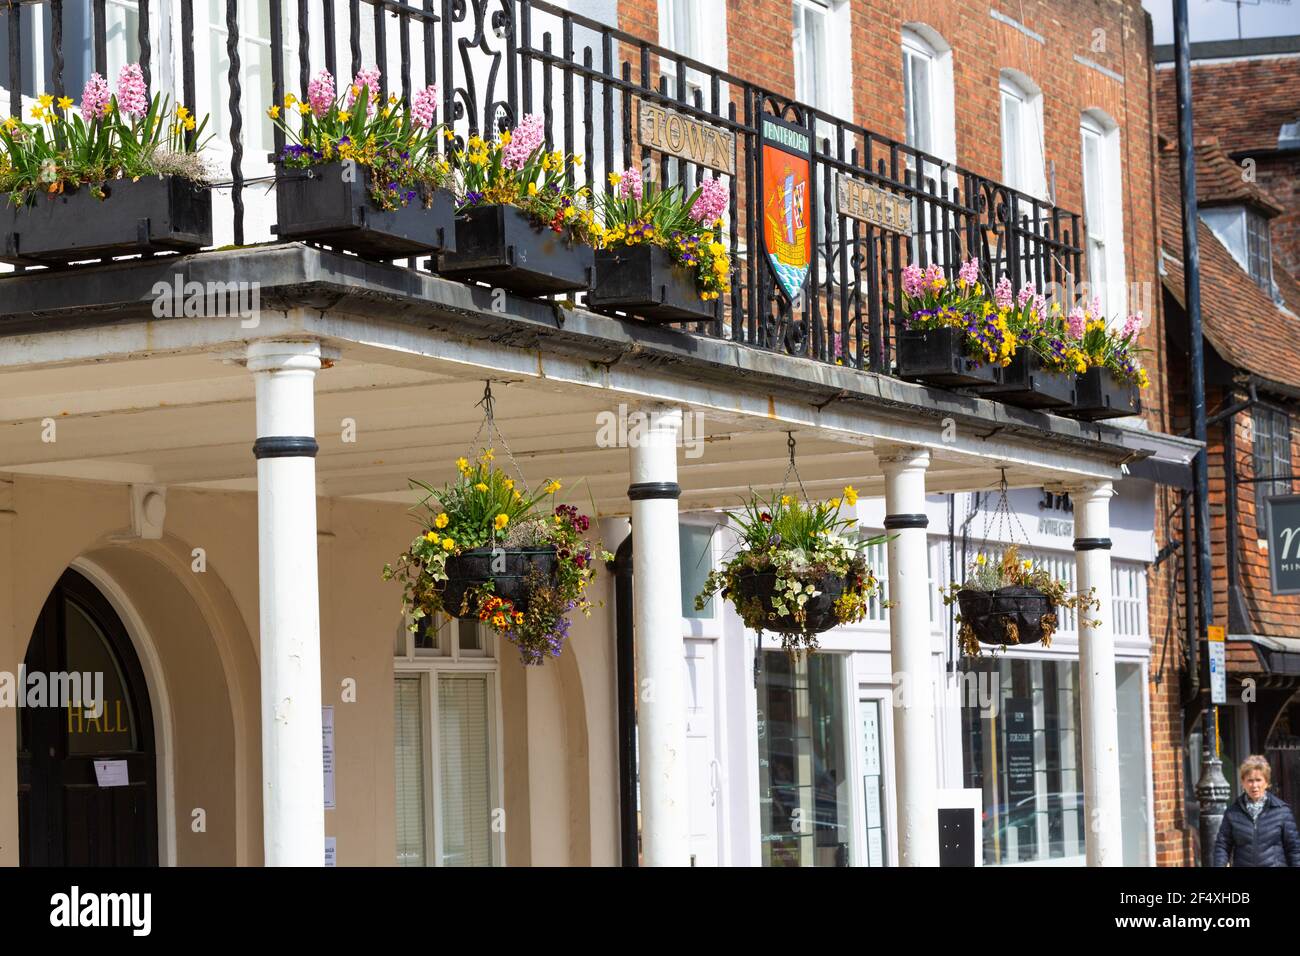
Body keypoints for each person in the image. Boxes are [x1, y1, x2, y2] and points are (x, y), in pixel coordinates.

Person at [1212, 755, 1300, 867]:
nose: (1254, 785)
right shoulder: (1232, 813)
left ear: (1267, 782)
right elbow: (1222, 846)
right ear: (1243, 783)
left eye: (1258, 780)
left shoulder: (1282, 811)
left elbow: (1294, 849)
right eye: (1250, 780)